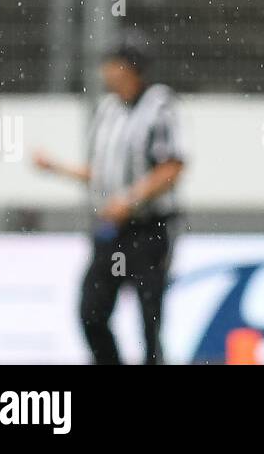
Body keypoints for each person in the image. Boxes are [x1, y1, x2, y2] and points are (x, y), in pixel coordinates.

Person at [34, 31, 186, 365]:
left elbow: (172, 165)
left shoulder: (159, 104)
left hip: (149, 229)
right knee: (92, 311)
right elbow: (101, 172)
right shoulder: (107, 110)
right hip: (112, 231)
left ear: (128, 67)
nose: (105, 72)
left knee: (150, 319)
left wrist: (130, 199)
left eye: (112, 64)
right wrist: (56, 168)